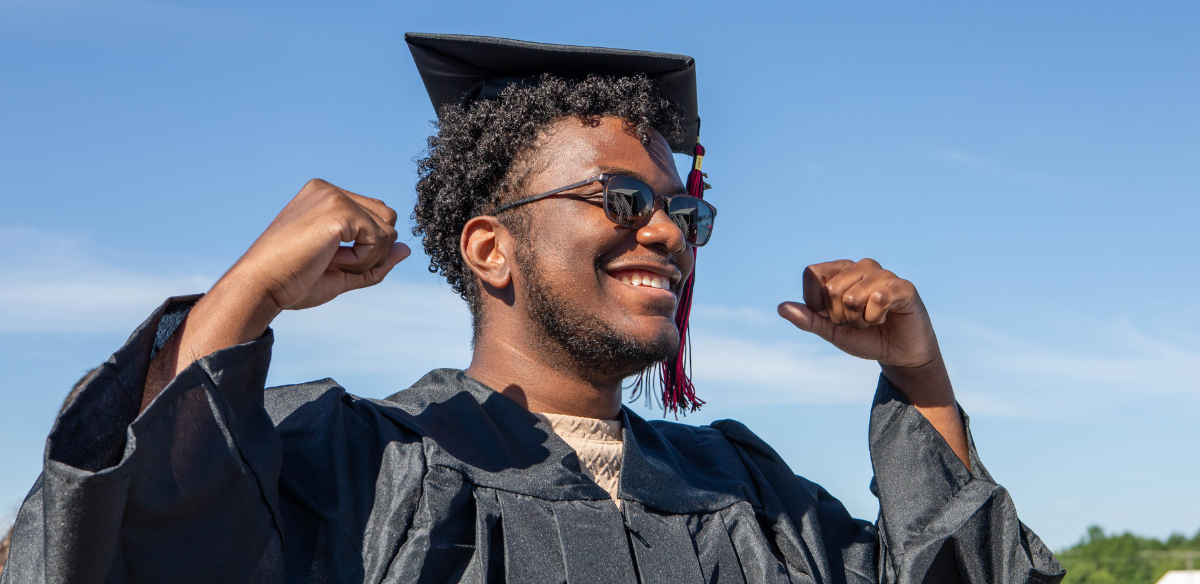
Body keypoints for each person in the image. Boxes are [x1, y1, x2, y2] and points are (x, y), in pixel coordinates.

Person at [1, 34, 1064, 584]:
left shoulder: (742, 489)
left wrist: (920, 376)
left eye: (684, 212)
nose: (666, 233)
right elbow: (118, 553)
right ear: (489, 246)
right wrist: (242, 297)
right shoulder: (348, 462)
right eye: (623, 200)